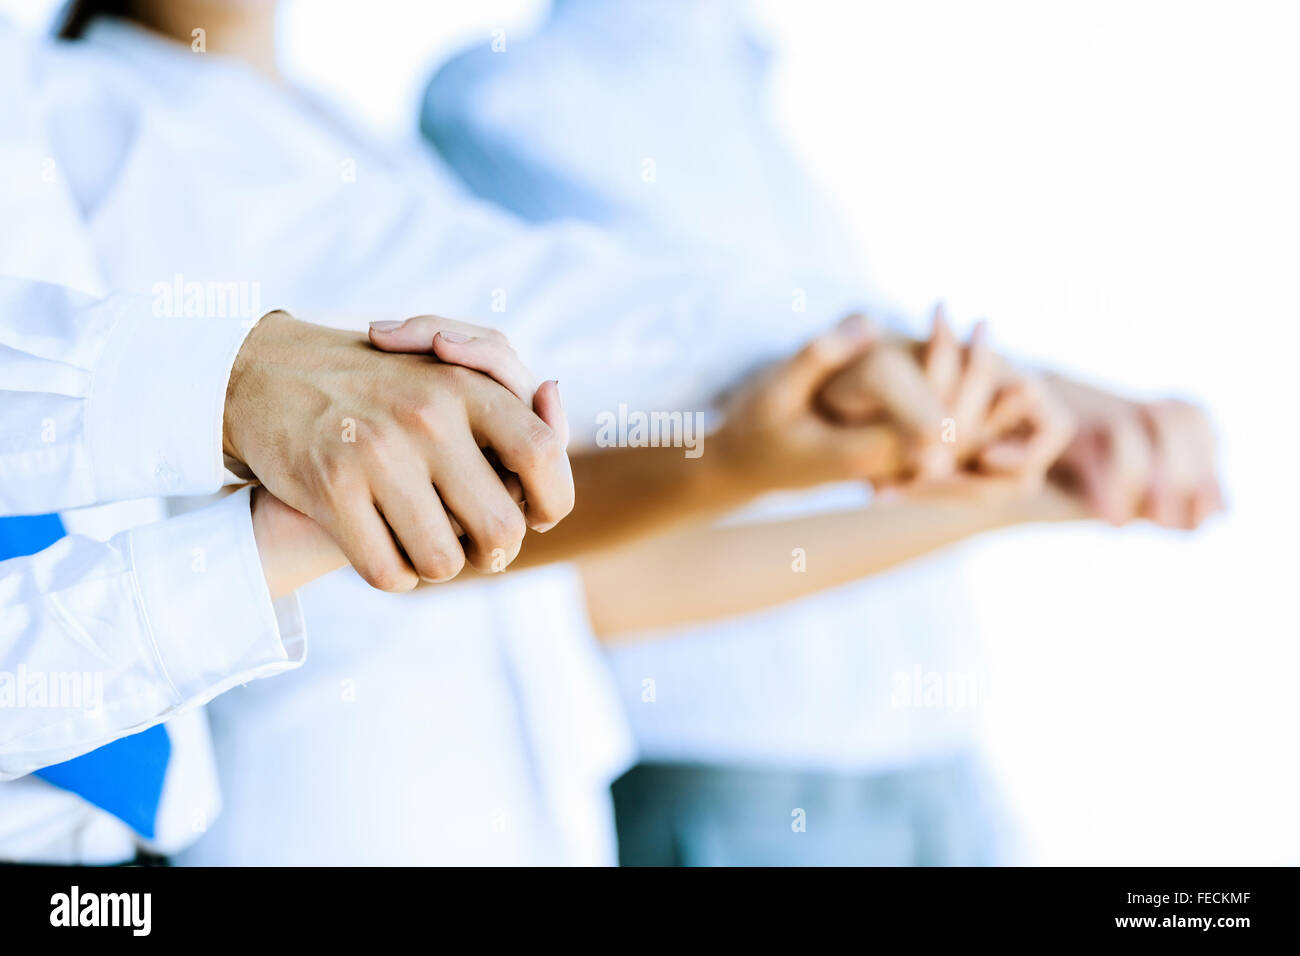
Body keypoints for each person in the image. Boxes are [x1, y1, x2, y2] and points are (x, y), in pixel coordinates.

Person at [6, 0, 1064, 865]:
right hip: (337, 809)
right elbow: (554, 312)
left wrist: (761, 451)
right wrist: (878, 372)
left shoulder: (356, 134)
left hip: (516, 802)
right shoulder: (95, 118)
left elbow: (551, 560)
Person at [420, 0, 1223, 864]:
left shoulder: (742, 88)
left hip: (943, 772)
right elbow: (596, 513)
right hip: (745, 786)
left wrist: (1068, 428)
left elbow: (832, 364)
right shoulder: (521, 98)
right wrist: (1017, 469)